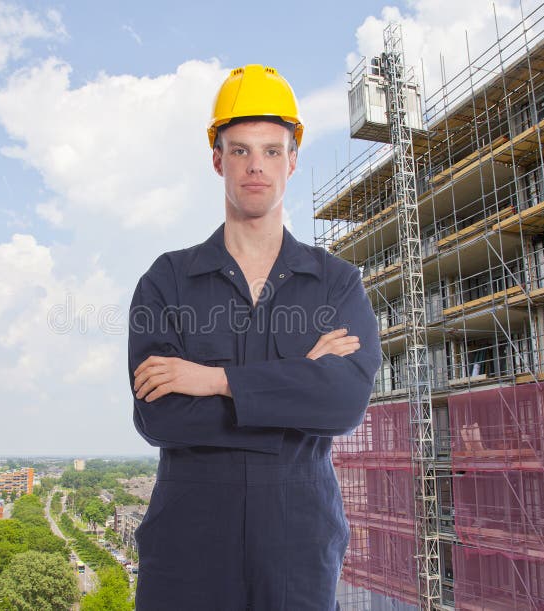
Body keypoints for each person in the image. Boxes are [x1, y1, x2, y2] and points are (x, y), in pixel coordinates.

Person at [127, 64, 381, 611]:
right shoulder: (167, 280)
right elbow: (159, 417)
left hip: (298, 545)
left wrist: (213, 380)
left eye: (271, 150)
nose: (255, 167)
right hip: (188, 543)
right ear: (217, 159)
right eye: (239, 150)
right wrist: (294, 390)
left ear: (292, 159)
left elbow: (343, 404)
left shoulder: (336, 283)